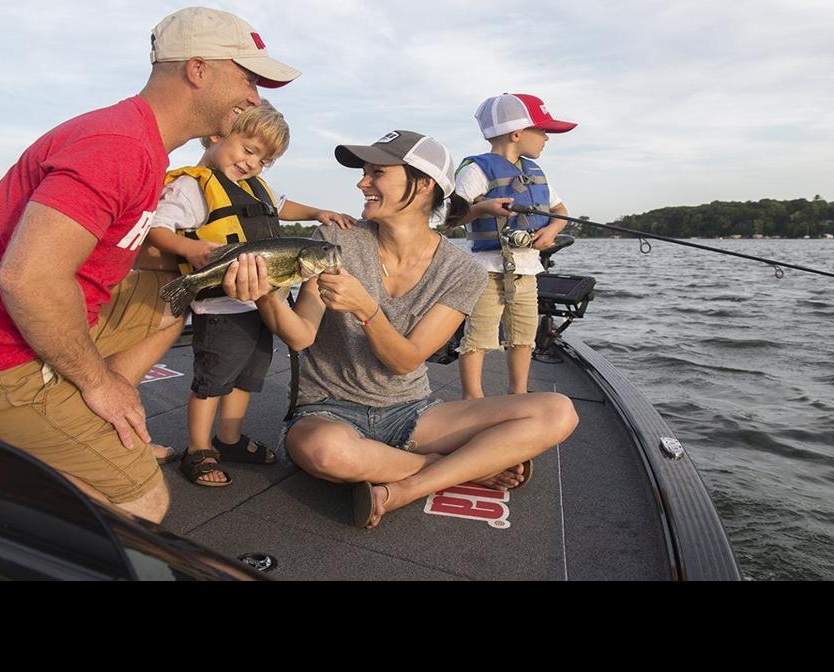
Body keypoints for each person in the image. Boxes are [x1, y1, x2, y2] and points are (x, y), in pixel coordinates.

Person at [0, 7, 299, 523]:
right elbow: (27, 279)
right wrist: (98, 382)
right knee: (142, 504)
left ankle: (99, 424)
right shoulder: (119, 147)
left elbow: (119, 252)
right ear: (198, 70)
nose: (254, 96)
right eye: (247, 78)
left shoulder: (142, 145)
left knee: (175, 295)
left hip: (39, 324)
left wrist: (204, 259)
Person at [220, 130, 579, 528]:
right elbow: (302, 334)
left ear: (424, 184)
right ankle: (452, 469)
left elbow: (406, 361)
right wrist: (266, 296)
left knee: (557, 411)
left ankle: (405, 487)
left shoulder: (461, 271)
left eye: (377, 173)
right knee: (322, 451)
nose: (362, 182)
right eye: (364, 173)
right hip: (327, 411)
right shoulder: (336, 239)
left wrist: (366, 308)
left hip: (413, 413)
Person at [135, 100, 355, 487]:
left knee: (249, 375)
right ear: (217, 135)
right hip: (220, 304)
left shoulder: (255, 188)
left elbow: (281, 207)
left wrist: (319, 213)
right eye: (249, 150)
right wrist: (192, 250)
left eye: (263, 160)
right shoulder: (193, 186)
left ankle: (230, 438)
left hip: (262, 304)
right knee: (213, 379)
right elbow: (157, 226)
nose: (253, 164)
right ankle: (199, 447)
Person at [451, 93, 576, 399]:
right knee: (478, 336)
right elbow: (449, 217)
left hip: (528, 271)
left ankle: (517, 395)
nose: (546, 138)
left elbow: (560, 212)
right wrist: (483, 208)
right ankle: (472, 399)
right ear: (517, 134)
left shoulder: (536, 173)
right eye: (542, 130)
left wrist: (551, 230)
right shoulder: (476, 170)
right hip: (487, 273)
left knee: (524, 337)